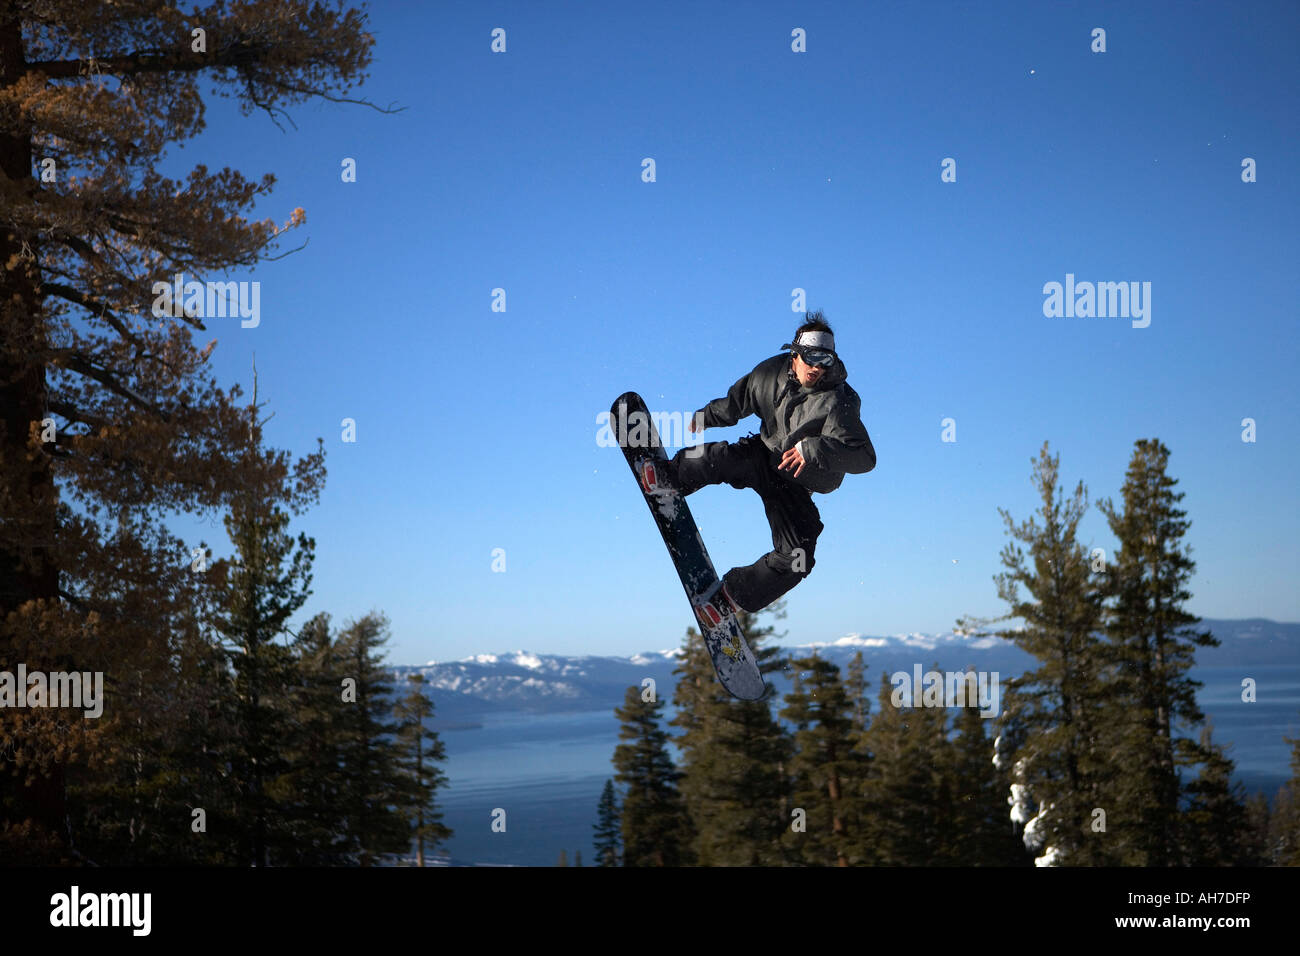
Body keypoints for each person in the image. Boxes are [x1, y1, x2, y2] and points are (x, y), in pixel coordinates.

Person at [636, 311, 876, 628]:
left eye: (826, 362)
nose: (817, 369)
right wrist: (707, 416)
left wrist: (814, 449)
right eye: (812, 359)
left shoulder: (838, 402)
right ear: (795, 354)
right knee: (721, 457)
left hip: (797, 482)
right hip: (765, 454)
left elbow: (864, 458)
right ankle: (671, 478)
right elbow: (737, 402)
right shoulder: (769, 374)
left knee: (798, 557)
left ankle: (730, 598)